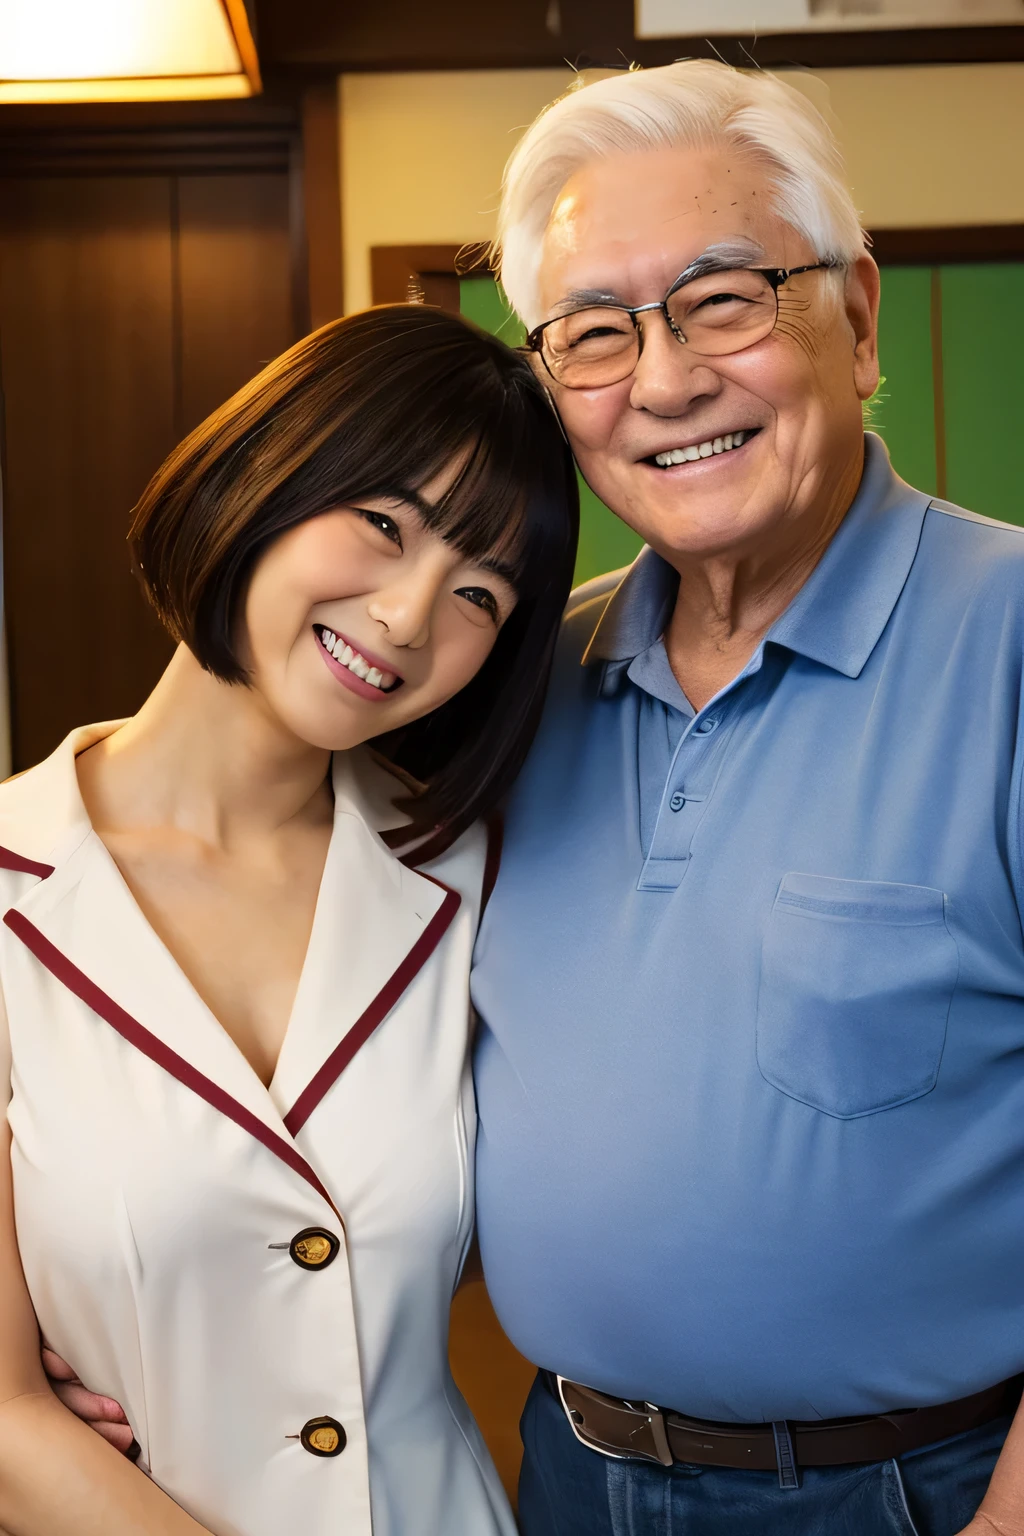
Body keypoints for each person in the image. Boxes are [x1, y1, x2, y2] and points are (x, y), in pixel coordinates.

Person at [466, 60, 1024, 1536]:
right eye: (595, 333)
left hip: (918, 1495)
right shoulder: (519, 679)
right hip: (569, 1476)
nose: (664, 381)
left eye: (723, 299)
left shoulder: (1016, 638)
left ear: (853, 310)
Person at [0, 303, 577, 1536]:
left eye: (480, 593)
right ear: (264, 472)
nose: (412, 617)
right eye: (383, 525)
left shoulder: (477, 880)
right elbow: (5, 1425)